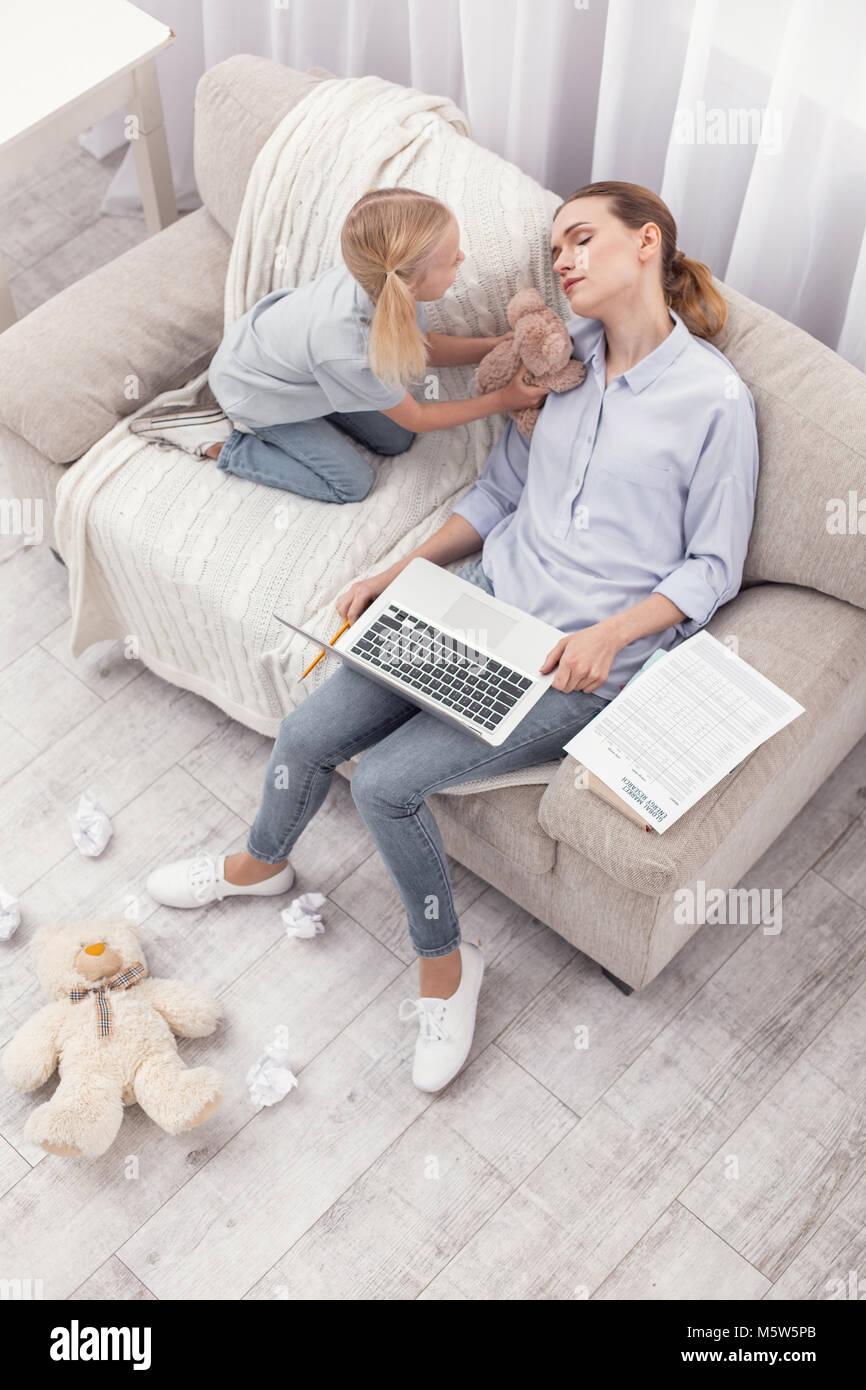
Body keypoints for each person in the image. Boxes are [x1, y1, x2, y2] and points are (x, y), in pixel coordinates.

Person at [147, 181, 760, 1095]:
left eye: (582, 239)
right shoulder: (558, 364)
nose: (562, 261)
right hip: (484, 597)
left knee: (390, 784)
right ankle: (258, 863)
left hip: (574, 662)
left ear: (648, 244)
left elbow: (713, 568)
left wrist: (614, 633)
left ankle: (446, 966)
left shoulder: (715, 401)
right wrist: (405, 570)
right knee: (312, 730)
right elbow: (500, 494)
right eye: (557, 247)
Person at [129, 187, 542, 503]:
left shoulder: (385, 285)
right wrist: (505, 399)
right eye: (452, 258)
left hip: (296, 367)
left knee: (396, 440)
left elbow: (421, 346)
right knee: (351, 484)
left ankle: (318, 404)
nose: (463, 259)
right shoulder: (348, 348)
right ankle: (220, 440)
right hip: (253, 392)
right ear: (412, 279)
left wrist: (493, 346)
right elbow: (416, 415)